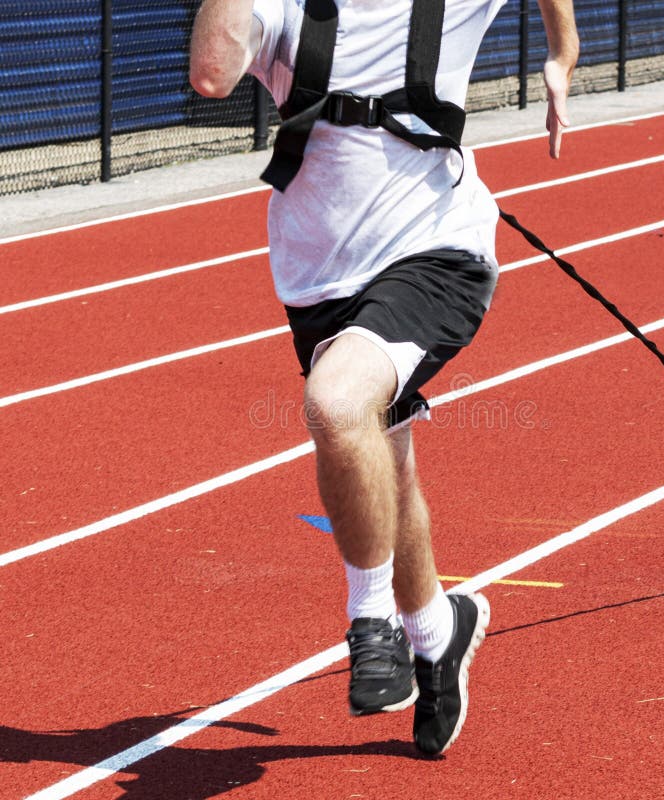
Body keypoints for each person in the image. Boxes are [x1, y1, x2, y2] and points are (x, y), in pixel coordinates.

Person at [190, 0, 579, 756]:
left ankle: (373, 625)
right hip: (317, 273)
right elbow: (212, 74)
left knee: (336, 406)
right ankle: (439, 629)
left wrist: (562, 57)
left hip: (437, 249)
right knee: (381, 457)